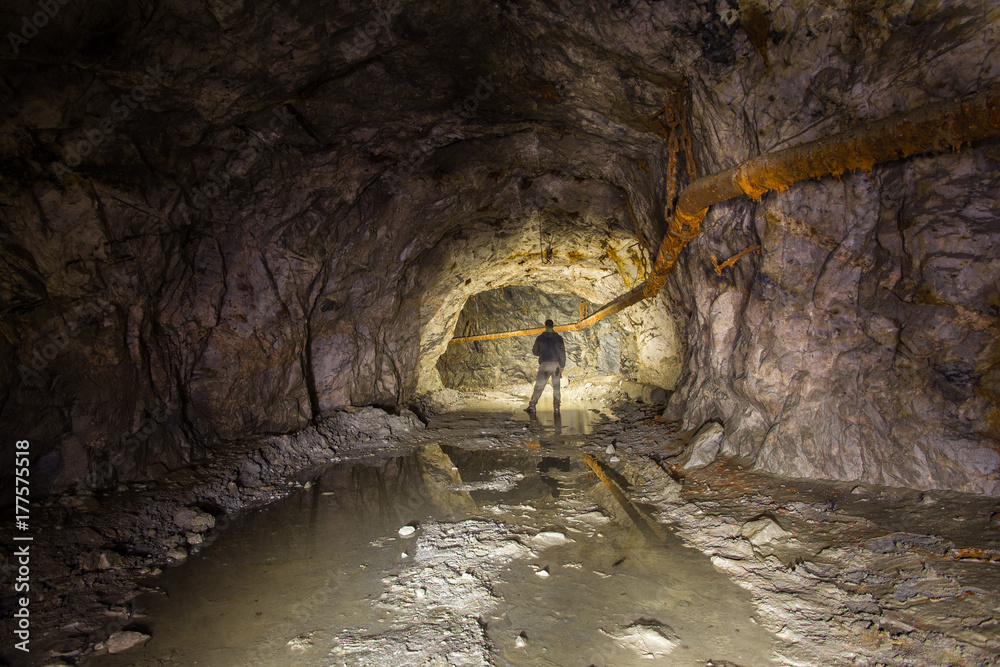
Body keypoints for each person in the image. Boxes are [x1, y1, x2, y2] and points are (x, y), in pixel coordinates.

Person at [525, 319, 566, 414]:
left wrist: (542, 353)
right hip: (556, 365)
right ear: (553, 326)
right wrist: (562, 365)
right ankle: (556, 407)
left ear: (545, 326)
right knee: (556, 387)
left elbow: (535, 351)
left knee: (539, 386)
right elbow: (562, 353)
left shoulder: (540, 338)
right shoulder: (558, 338)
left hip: (544, 365)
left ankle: (532, 405)